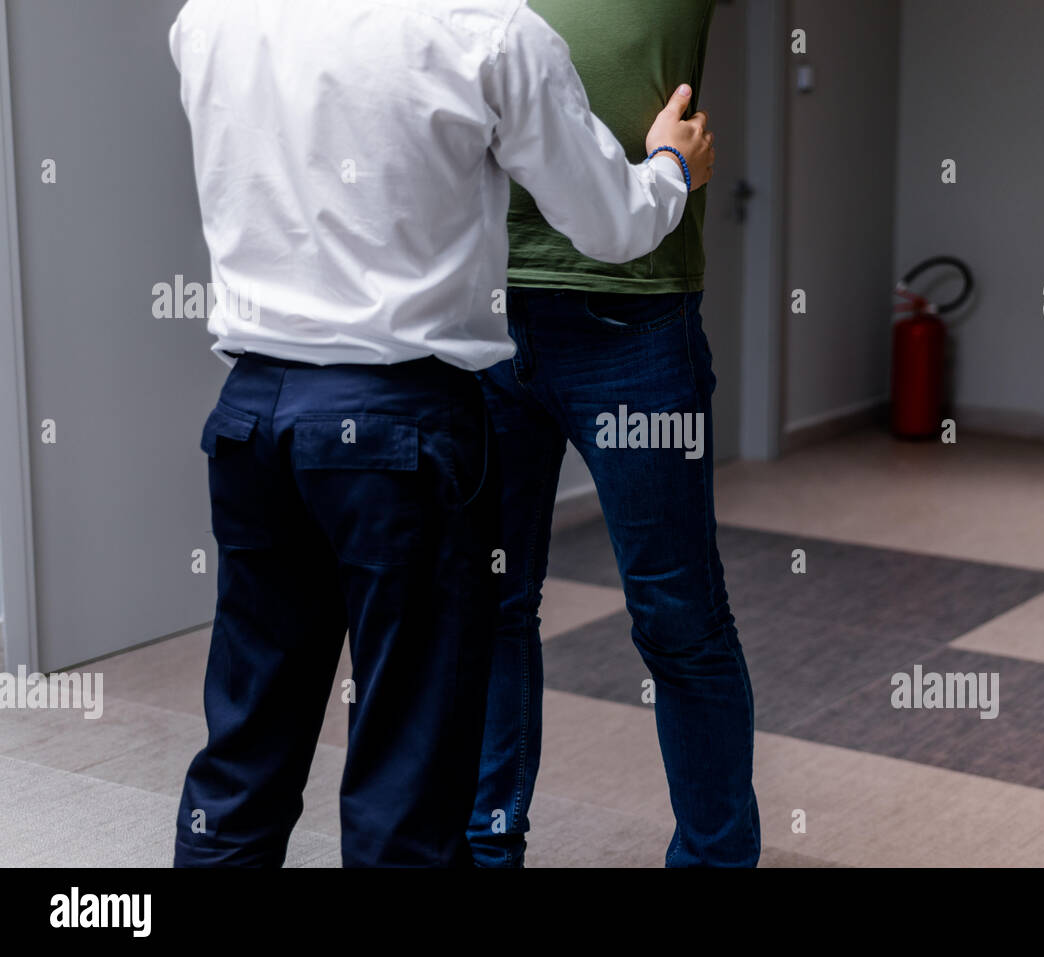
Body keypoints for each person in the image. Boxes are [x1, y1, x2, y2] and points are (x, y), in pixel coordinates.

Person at [167, 0, 714, 868]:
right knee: (407, 780)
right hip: (399, 434)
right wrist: (668, 170)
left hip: (253, 419)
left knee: (243, 754)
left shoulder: (211, 18)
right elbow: (612, 224)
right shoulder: (489, 33)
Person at [467, 0, 760, 868]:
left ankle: (714, 861)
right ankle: (487, 848)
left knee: (678, 615)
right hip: (474, 306)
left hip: (633, 322)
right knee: (489, 601)